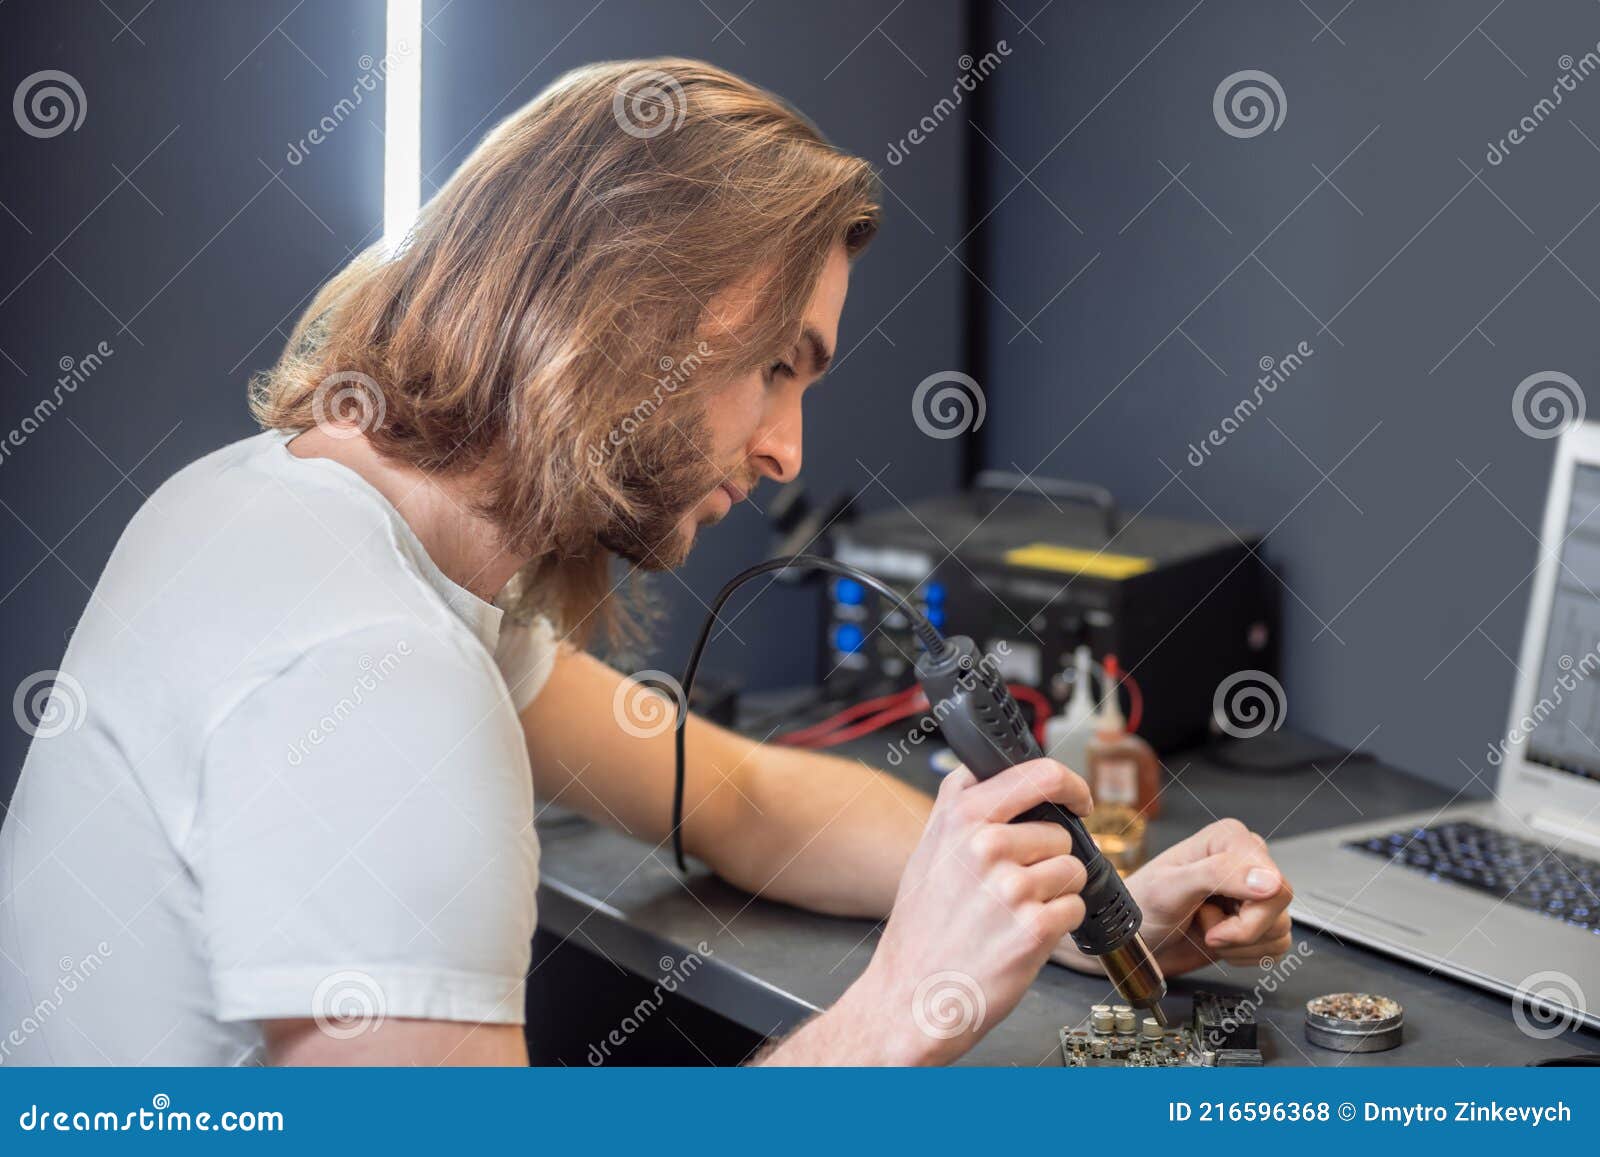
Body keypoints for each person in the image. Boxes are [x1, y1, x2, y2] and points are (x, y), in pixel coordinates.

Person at [0, 58, 1292, 1066]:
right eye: (776, 365)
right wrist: (904, 1004)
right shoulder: (375, 673)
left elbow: (736, 799)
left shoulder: (280, 510)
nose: (790, 448)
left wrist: (1080, 898)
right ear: (616, 312)